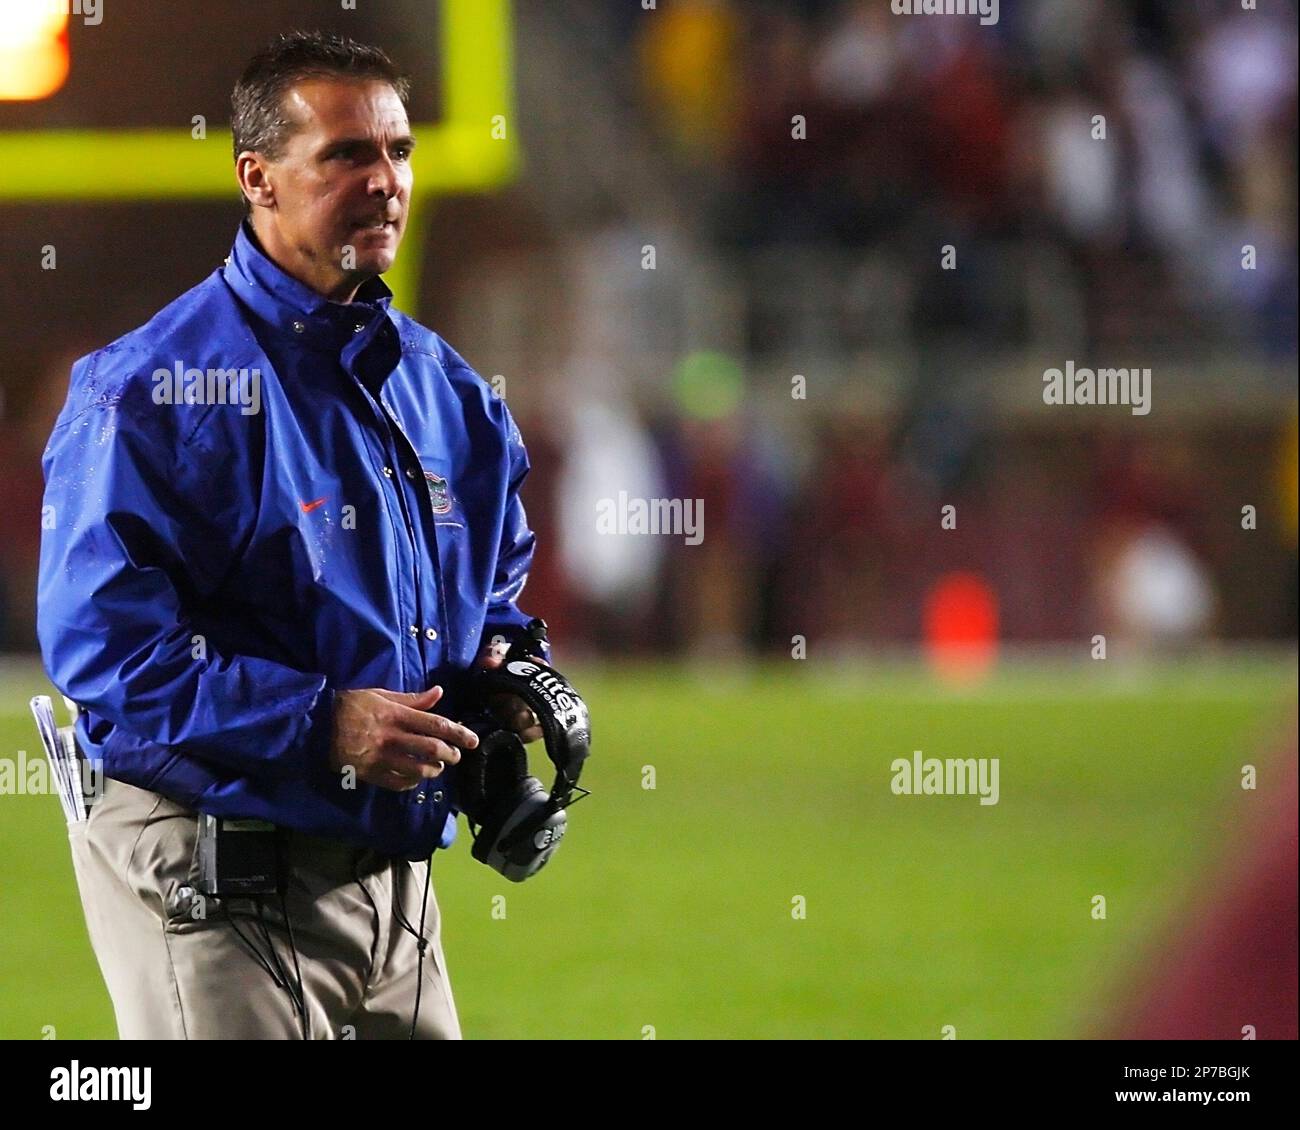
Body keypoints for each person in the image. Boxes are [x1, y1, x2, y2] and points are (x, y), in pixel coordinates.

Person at [36, 30, 545, 1040]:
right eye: (347, 155)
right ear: (256, 177)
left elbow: (495, 591)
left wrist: (512, 671)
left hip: (394, 885)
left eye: (398, 151)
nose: (385, 181)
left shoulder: (444, 389)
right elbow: (108, 647)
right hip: (214, 881)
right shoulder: (151, 387)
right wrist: (321, 721)